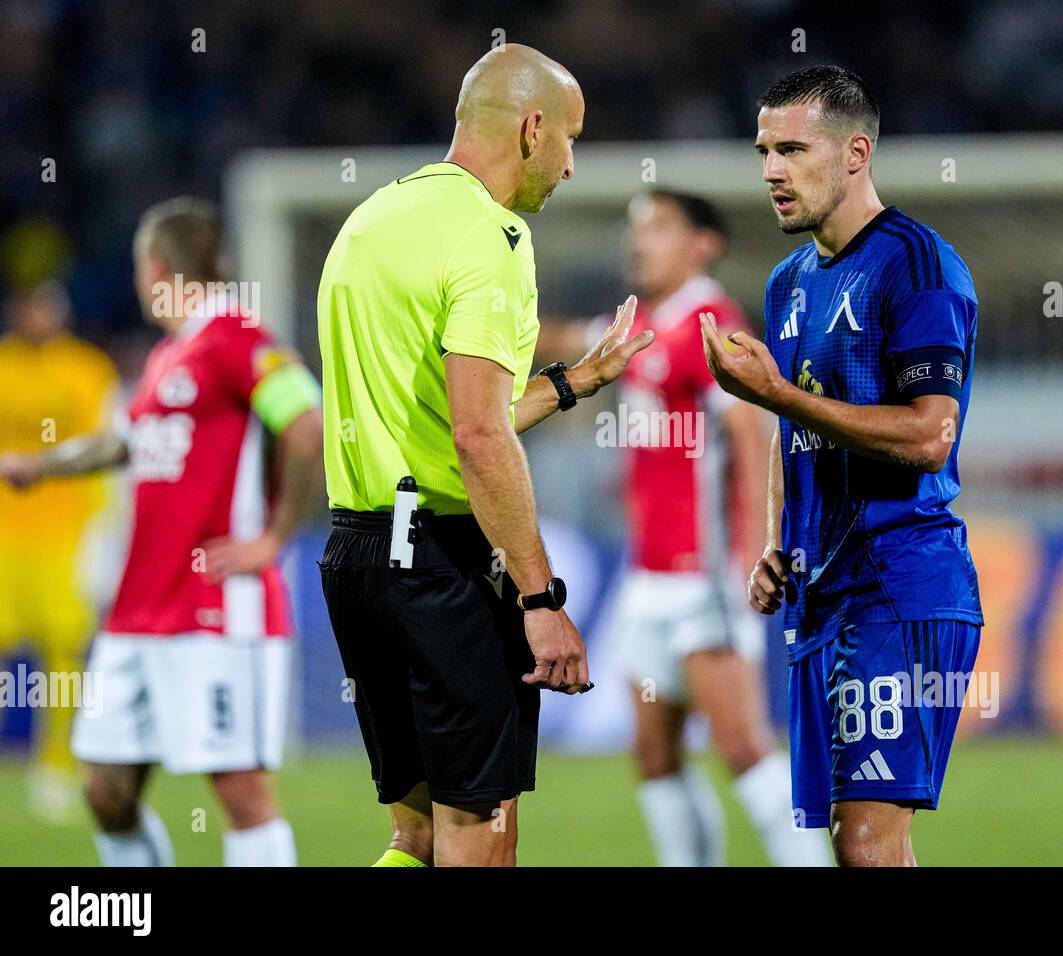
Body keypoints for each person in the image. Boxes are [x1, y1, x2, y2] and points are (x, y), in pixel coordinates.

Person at [316, 43, 652, 868]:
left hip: (358, 554)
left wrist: (571, 383)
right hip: (444, 567)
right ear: (533, 129)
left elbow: (450, 417)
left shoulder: (371, 222)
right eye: (570, 139)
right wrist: (541, 597)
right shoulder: (491, 236)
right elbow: (478, 436)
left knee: (416, 836)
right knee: (481, 841)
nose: (571, 166)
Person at [700, 66, 984, 866]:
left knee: (865, 840)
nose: (771, 172)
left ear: (856, 152)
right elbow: (794, 430)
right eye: (763, 151)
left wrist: (779, 395)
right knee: (854, 842)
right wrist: (773, 540)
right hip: (822, 591)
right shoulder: (789, 282)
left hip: (901, 577)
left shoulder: (919, 266)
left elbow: (930, 435)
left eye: (793, 149)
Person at [0, 197, 324, 866]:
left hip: (212, 607)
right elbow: (123, 444)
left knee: (238, 791)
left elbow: (307, 424)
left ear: (153, 270)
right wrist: (36, 464)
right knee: (105, 789)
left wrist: (273, 539)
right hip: (141, 610)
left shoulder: (237, 338)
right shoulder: (169, 359)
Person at [603, 190, 830, 866]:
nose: (639, 241)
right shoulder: (642, 326)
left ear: (704, 244)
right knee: (653, 752)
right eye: (636, 227)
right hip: (646, 578)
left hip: (705, 579)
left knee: (740, 744)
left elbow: (755, 436)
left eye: (660, 227)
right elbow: (572, 342)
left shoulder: (716, 327)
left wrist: (759, 554)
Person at [0, 282, 117, 821]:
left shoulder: (87, 369)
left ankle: (53, 767)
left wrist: (105, 529)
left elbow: (110, 445)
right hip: (5, 535)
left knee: (64, 656)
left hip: (67, 535)